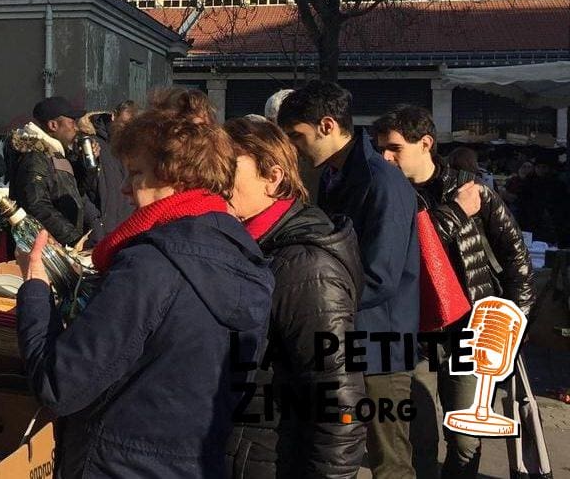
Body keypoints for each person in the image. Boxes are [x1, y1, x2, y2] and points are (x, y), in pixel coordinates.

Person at [16, 100, 274, 477]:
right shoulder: (247, 255)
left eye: (136, 174)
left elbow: (59, 384)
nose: (123, 188)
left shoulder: (152, 264)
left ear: (177, 177)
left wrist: (36, 286)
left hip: (117, 465)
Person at [372, 105, 534, 479]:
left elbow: (517, 259)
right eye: (381, 148)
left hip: (469, 333)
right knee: (418, 437)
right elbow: (405, 252)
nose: (385, 157)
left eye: (394, 148)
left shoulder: (471, 190)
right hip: (412, 336)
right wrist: (454, 213)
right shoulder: (388, 196)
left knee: (465, 437)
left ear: (426, 143)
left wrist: (515, 326)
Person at [276, 81, 419, 479]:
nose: (293, 146)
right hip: (351, 335)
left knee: (388, 459)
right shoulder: (338, 175)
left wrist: (318, 308)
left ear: (326, 126)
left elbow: (380, 274)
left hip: (379, 345)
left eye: (296, 136)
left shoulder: (380, 181)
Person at [224, 116, 367, 478]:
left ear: (273, 177)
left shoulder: (306, 266)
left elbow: (340, 403)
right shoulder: (252, 244)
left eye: (227, 170)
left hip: (273, 459)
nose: (215, 184)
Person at [8, 96, 88, 247]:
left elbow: (76, 192)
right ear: (53, 125)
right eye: (71, 122)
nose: (76, 128)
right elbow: (36, 205)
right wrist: (73, 238)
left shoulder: (56, 154)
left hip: (60, 243)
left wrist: (86, 166)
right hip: (46, 249)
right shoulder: (35, 156)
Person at [79, 110, 133, 247]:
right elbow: (81, 189)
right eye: (125, 123)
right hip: (103, 230)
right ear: (114, 117)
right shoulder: (91, 143)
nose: (127, 129)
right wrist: (97, 224)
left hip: (126, 229)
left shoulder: (129, 146)